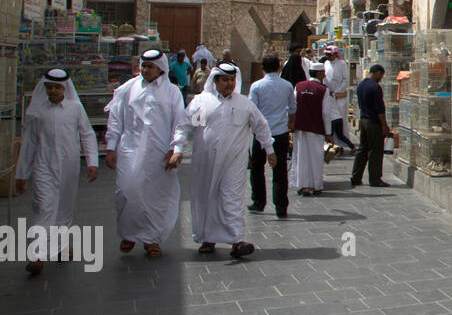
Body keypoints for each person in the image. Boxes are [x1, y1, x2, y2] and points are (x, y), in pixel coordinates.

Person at [170, 62, 274, 259]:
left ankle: (237, 240)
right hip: (206, 162)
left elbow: (261, 126)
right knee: (206, 199)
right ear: (215, 80)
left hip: (233, 163)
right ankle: (207, 239)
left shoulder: (243, 104)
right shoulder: (202, 103)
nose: (229, 84)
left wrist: (270, 149)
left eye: (232, 80)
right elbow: (185, 127)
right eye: (225, 80)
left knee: (232, 198)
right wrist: (178, 149)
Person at [104, 48, 186, 258]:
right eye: (143, 65)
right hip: (129, 151)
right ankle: (129, 233)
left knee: (155, 198)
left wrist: (176, 149)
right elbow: (116, 119)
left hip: (158, 154)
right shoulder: (127, 89)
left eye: (150, 66)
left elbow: (180, 123)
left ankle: (152, 239)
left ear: (160, 69)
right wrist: (111, 146)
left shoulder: (172, 92)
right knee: (126, 192)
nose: (145, 69)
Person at [14, 69, 98, 274]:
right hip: (43, 166)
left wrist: (92, 162)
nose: (53, 90)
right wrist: (21, 174)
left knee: (64, 209)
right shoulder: (37, 111)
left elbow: (87, 134)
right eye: (49, 87)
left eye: (57, 87)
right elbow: (30, 143)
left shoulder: (75, 108)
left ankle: (60, 247)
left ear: (65, 88)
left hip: (69, 167)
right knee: (43, 208)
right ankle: (38, 254)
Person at [247, 55, 296, 218]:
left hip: (261, 133)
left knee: (257, 168)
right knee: (280, 171)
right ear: (279, 67)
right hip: (280, 132)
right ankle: (281, 207)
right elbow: (292, 108)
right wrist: (290, 124)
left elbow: (251, 110)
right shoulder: (287, 85)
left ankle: (259, 201)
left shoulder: (256, 86)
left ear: (263, 68)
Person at [351, 64, 392, 188]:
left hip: (363, 120)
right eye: (381, 76)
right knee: (375, 151)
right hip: (373, 122)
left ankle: (356, 177)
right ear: (377, 73)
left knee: (362, 150)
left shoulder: (361, 85)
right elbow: (379, 108)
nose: (381, 78)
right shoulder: (375, 87)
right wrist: (384, 125)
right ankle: (375, 179)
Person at [291, 62, 329, 197]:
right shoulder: (323, 89)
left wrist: (292, 123)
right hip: (316, 127)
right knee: (316, 156)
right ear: (319, 73)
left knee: (301, 156)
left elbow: (294, 106)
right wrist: (328, 132)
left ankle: (303, 185)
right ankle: (317, 185)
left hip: (301, 126)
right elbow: (326, 112)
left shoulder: (299, 86)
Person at [323, 45, 356, 153]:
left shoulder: (342, 64)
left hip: (339, 97)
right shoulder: (326, 64)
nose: (328, 57)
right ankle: (333, 145)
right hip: (329, 96)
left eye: (330, 55)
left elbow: (345, 80)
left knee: (340, 120)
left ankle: (342, 144)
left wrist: (337, 92)